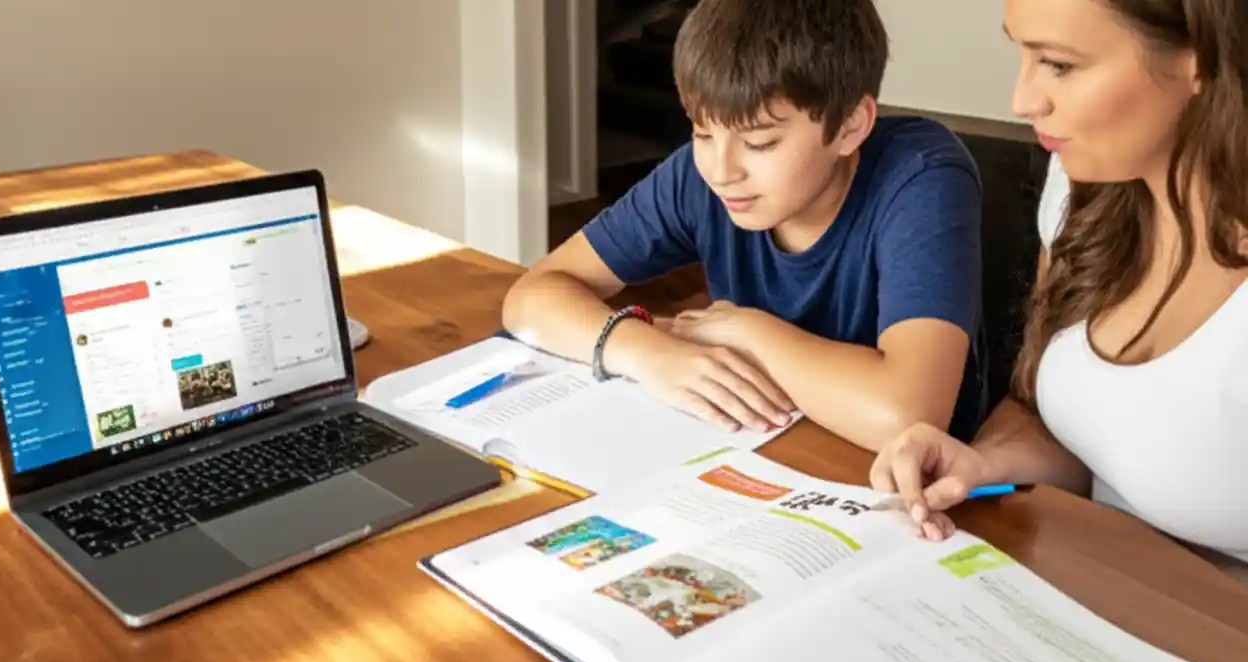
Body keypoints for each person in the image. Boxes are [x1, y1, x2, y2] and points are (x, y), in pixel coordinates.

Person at [869, 0, 1248, 580]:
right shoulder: (1084, 190)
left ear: (1200, 62)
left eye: (1059, 65)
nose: (1022, 101)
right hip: (1084, 584)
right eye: (1021, 53)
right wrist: (984, 460)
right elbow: (1052, 413)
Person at [502, 0, 988, 452]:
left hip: (933, 492)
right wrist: (650, 354)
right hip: (768, 450)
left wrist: (747, 331)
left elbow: (909, 416)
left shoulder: (921, 175)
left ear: (850, 127)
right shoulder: (701, 176)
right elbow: (531, 300)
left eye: (760, 144)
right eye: (701, 132)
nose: (721, 170)